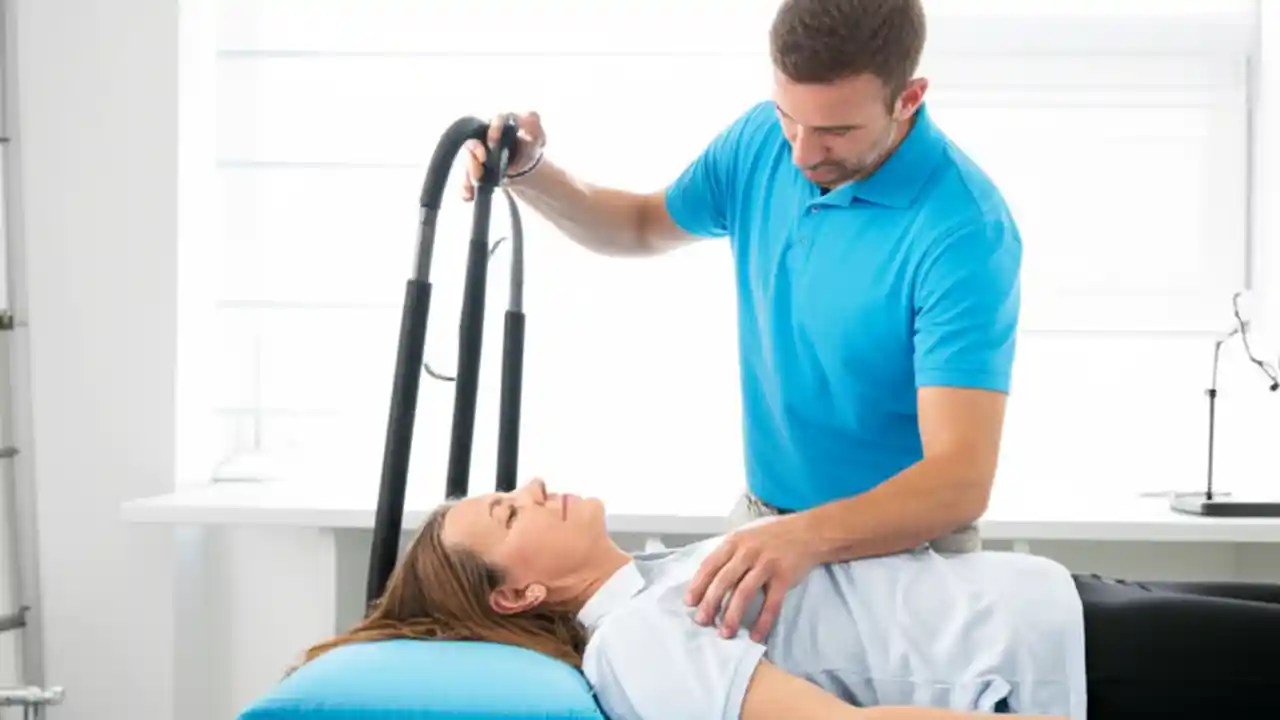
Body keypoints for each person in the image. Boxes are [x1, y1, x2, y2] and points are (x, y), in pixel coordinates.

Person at [461, 0, 1022, 643]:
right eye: (791, 117)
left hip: (903, 557)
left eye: (835, 130)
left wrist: (798, 538)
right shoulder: (761, 140)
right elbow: (641, 224)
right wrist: (532, 173)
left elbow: (958, 483)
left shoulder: (962, 230)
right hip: (765, 525)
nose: (804, 151)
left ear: (909, 98)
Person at [298, 480, 1280, 720]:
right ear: (519, 594)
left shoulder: (653, 579)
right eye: (510, 511)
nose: (536, 487)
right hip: (1068, 662)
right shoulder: (635, 643)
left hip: (1068, 605)